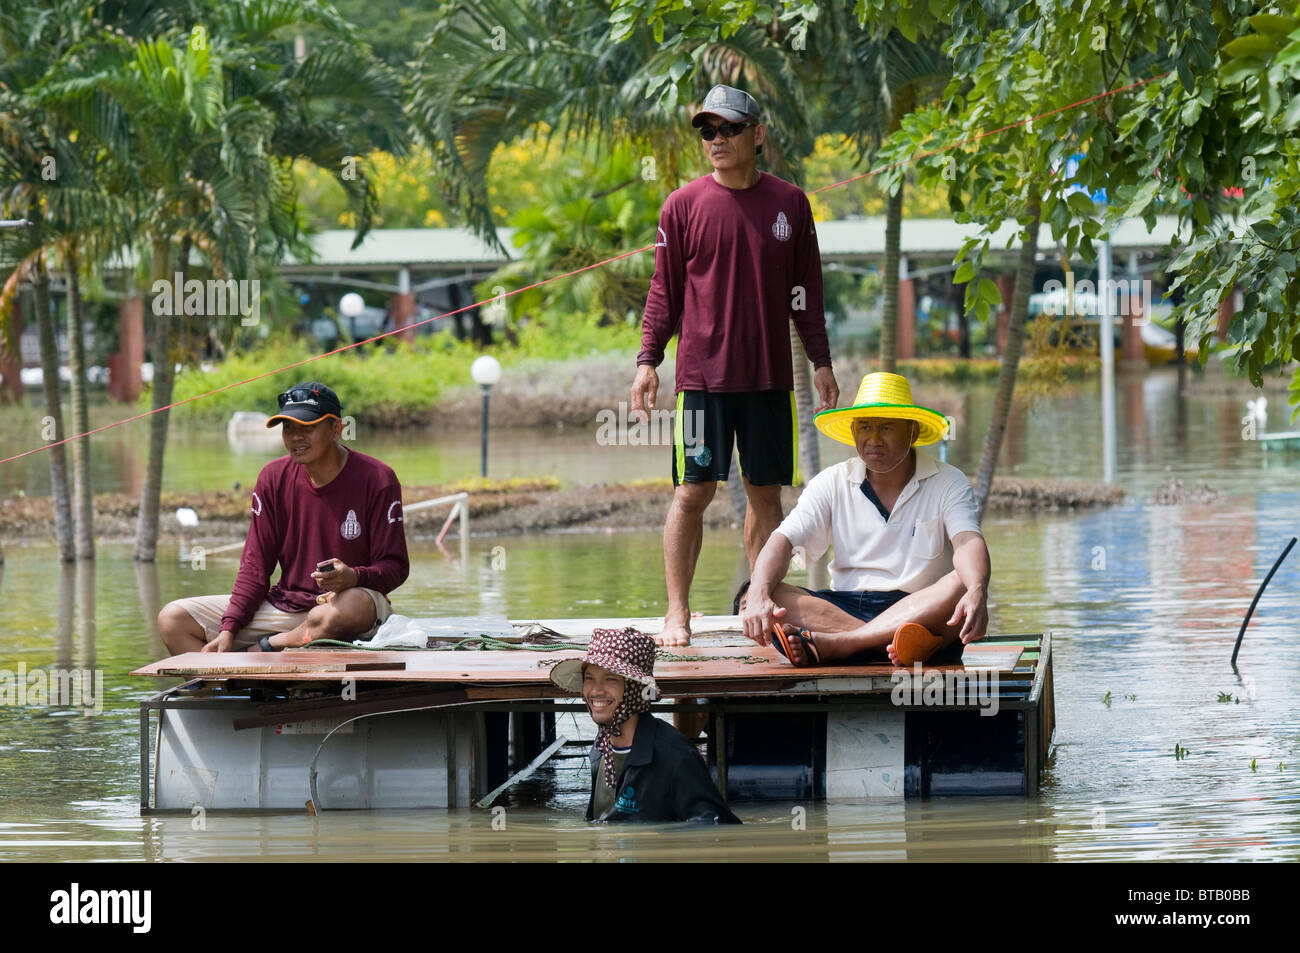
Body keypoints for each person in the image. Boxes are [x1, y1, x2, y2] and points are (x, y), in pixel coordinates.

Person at [631, 83, 840, 648]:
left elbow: (806, 290)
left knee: (765, 493)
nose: (716, 140)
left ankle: (760, 603)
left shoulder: (790, 204)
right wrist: (649, 359)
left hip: (770, 379)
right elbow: (663, 293)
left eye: (728, 129)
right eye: (707, 130)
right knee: (691, 492)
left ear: (758, 134)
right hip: (701, 382)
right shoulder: (682, 205)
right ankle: (678, 611)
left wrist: (821, 360)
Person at [741, 372, 991, 667]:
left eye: (886, 427)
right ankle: (902, 645)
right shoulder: (832, 481)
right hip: (845, 607)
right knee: (753, 594)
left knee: (963, 583)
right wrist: (758, 593)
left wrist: (978, 590)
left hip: (921, 607)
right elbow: (783, 540)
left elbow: (967, 542)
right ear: (853, 431)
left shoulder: (948, 481)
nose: (873, 439)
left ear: (912, 432)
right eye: (864, 427)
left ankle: (844, 645)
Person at [157, 382, 408, 656]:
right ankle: (220, 690)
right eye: (289, 428)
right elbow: (255, 566)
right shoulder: (272, 477)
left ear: (337, 429)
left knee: (350, 608)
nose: (296, 437)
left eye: (307, 427)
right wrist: (229, 628)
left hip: (349, 607)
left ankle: (266, 648)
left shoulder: (378, 478)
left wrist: (353, 577)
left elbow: (395, 568)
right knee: (173, 620)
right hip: (287, 608)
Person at [549, 627, 741, 824]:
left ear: (635, 688)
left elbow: (717, 825)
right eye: (589, 678)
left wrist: (656, 837)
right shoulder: (601, 746)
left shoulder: (675, 755)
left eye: (610, 679)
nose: (596, 690)